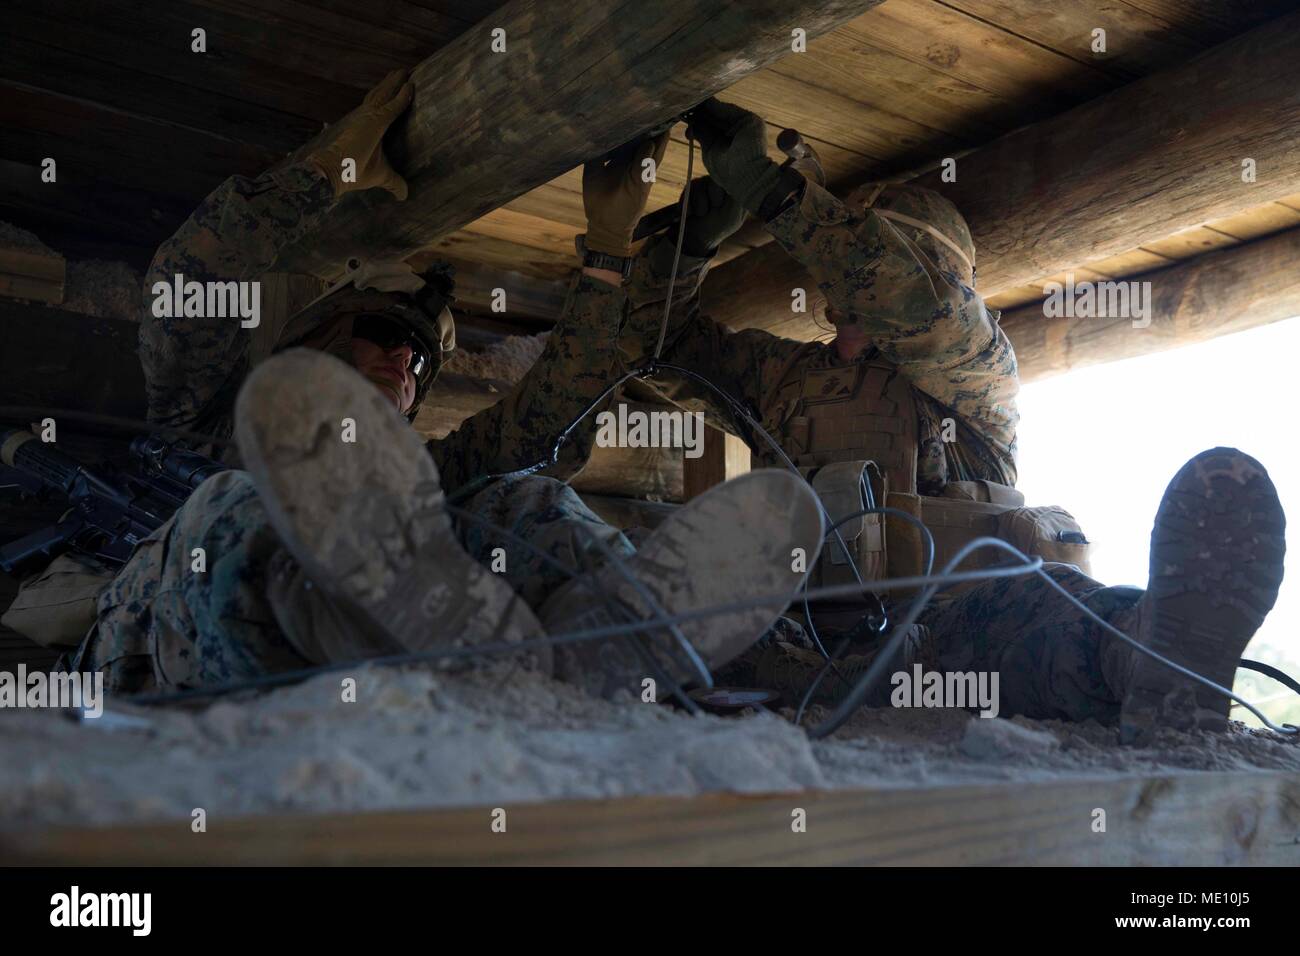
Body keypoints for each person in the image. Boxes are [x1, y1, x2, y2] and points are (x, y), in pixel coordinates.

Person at [36, 73, 826, 701]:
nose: (403, 366)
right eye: (382, 338)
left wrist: (610, 250)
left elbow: (553, 415)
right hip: (158, 665)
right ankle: (374, 636)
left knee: (529, 503)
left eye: (419, 363)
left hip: (392, 661)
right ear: (315, 342)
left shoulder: (420, 484)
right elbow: (187, 283)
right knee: (237, 506)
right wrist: (322, 174)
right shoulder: (202, 425)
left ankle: (615, 646)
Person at [603, 98, 1287, 743]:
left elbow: (908, 299)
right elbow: (650, 344)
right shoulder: (783, 376)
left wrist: (772, 191)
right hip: (794, 640)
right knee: (648, 599)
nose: (850, 292)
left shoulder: (975, 368)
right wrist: (689, 244)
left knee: (1052, 617)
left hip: (947, 636)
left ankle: (1150, 656)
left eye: (870, 263)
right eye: (843, 275)